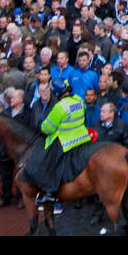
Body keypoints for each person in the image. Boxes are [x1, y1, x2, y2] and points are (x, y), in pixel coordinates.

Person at [20, 79, 91, 207]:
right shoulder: (79, 100)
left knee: (48, 161)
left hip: (65, 141)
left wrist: (41, 124)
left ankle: (50, 192)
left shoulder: (60, 106)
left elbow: (47, 128)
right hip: (82, 138)